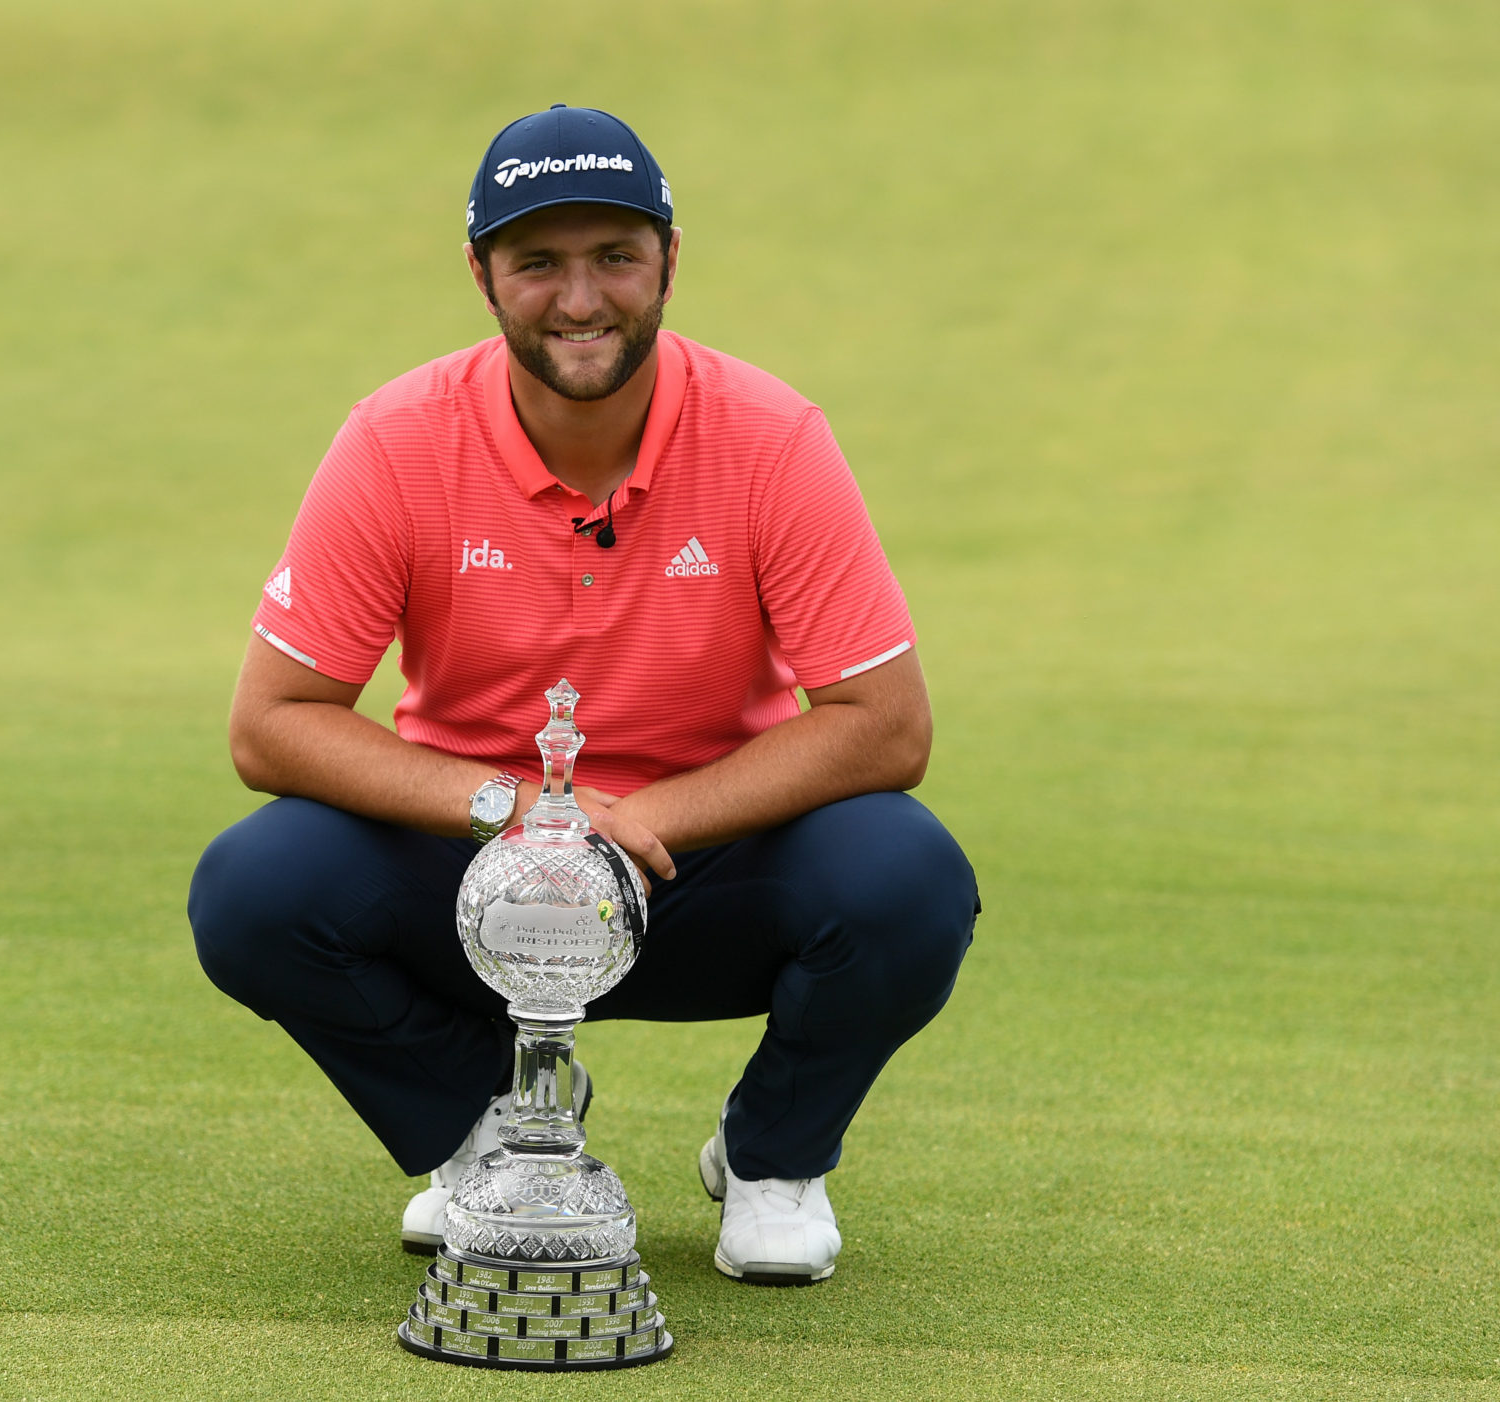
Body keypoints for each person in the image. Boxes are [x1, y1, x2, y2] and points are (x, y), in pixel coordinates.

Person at [188, 105, 978, 1285]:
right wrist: (524, 814)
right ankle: (490, 1132)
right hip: (475, 871)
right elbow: (270, 723)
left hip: (694, 869)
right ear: (480, 274)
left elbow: (887, 725)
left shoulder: (769, 435)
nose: (578, 299)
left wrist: (641, 820)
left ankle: (772, 1158)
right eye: (537, 262)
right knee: (255, 886)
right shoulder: (396, 439)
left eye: (614, 255)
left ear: (668, 260)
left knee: (905, 874)